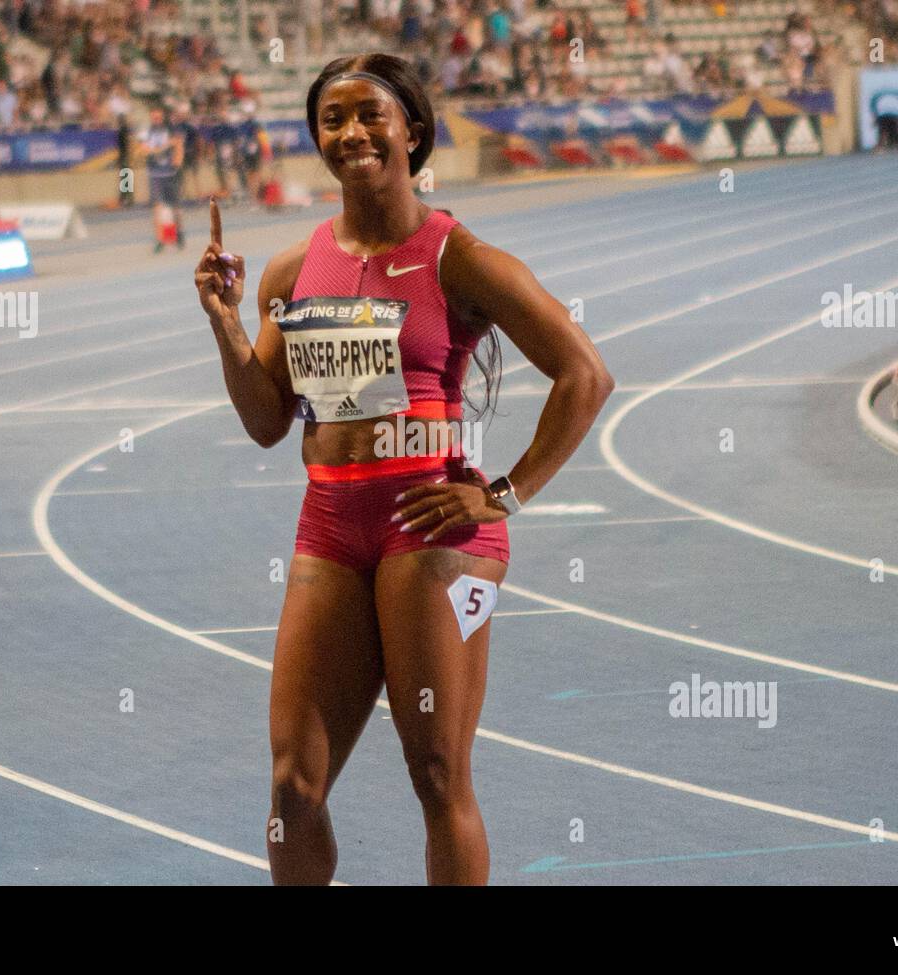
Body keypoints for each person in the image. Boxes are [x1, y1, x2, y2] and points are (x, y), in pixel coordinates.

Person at [193, 53, 615, 885]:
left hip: (433, 529)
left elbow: (586, 374)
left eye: (369, 116)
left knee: (436, 775)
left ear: (412, 132)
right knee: (293, 786)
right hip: (330, 525)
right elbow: (267, 422)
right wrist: (226, 325)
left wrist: (503, 494)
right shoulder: (291, 269)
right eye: (332, 119)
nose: (351, 133)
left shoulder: (458, 257)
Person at [142, 106, 185, 252]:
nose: (156, 120)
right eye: (154, 117)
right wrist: (166, 145)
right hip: (155, 174)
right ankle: (160, 239)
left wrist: (178, 161)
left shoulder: (171, 130)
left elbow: (179, 146)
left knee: (175, 207)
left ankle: (178, 233)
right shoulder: (147, 132)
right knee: (157, 208)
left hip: (170, 173)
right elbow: (145, 150)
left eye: (159, 117)